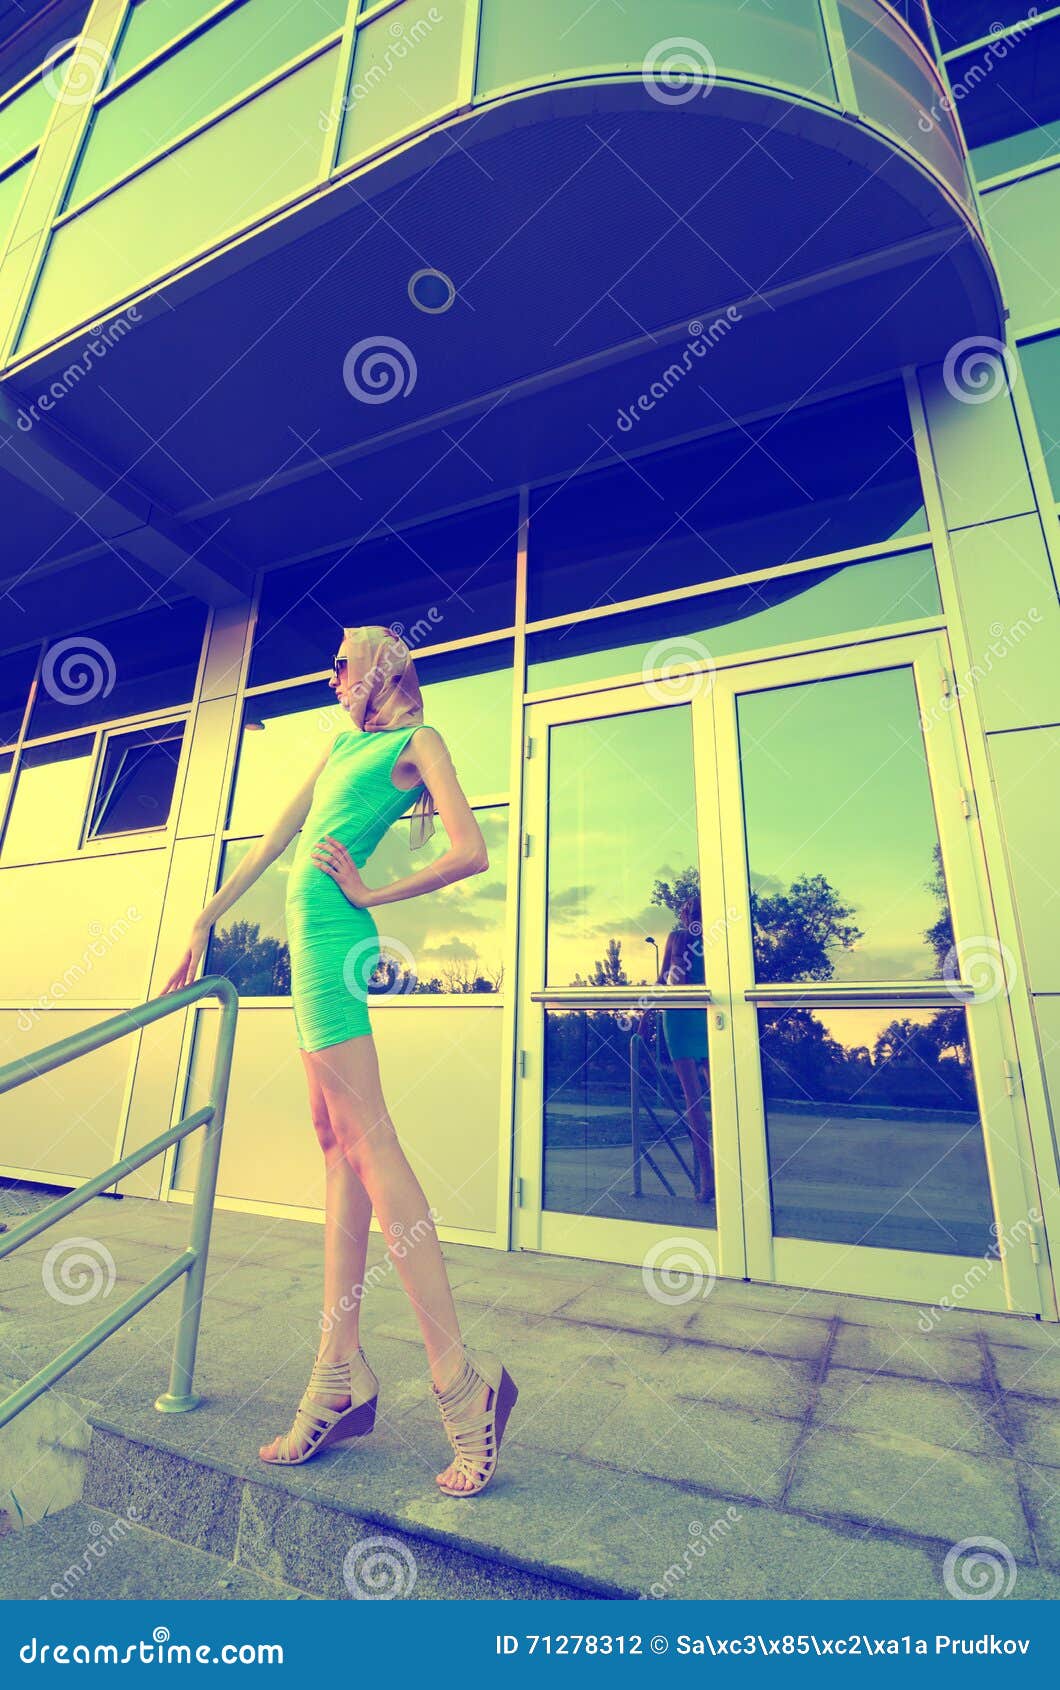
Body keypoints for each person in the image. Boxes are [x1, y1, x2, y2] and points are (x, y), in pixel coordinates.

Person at [162, 625, 517, 1496]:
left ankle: (462, 1383)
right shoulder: (343, 746)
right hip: (307, 943)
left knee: (370, 1142)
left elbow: (471, 850)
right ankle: (338, 1371)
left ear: (381, 667)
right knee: (334, 1142)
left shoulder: (413, 742)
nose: (330, 676)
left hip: (336, 937)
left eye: (339, 663)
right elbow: (274, 842)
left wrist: (372, 891)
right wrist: (204, 918)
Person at [636, 895, 714, 1203]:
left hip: (703, 1021)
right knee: (697, 1105)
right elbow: (662, 980)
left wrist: (645, 1015)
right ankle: (709, 1181)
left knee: (712, 1104)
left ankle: (716, 1179)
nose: (686, 916)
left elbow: (665, 980)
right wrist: (644, 1014)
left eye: (689, 911)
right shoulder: (683, 940)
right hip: (682, 1021)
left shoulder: (710, 941)